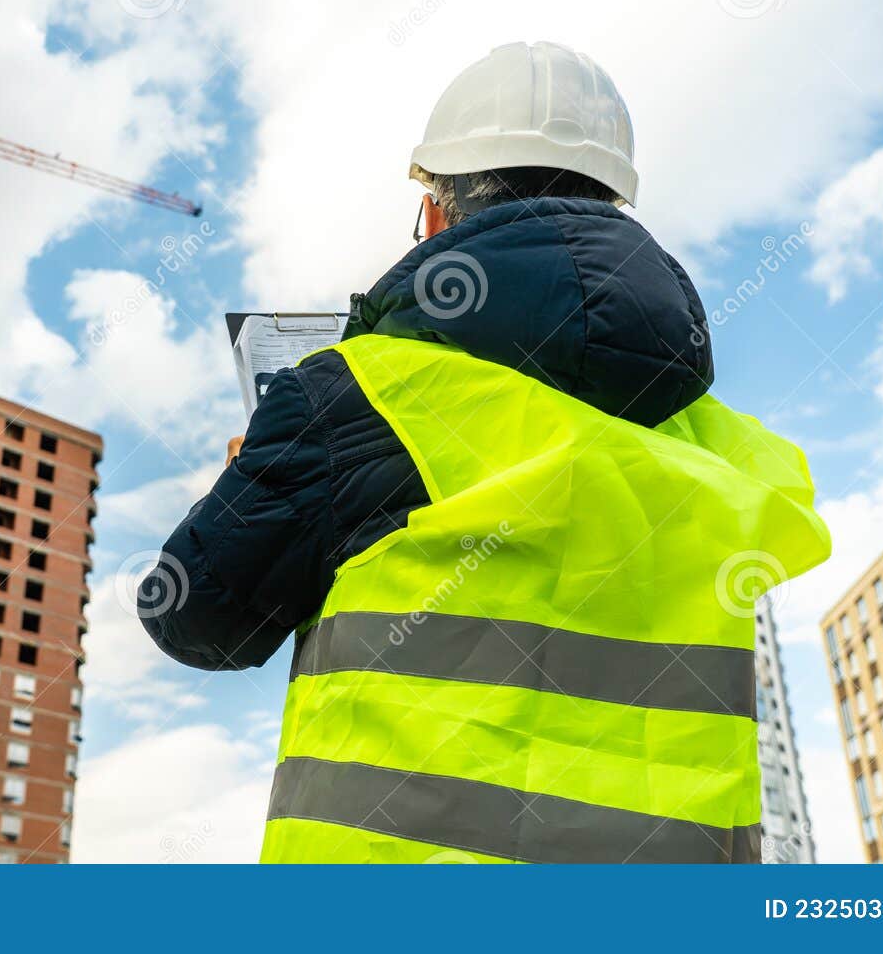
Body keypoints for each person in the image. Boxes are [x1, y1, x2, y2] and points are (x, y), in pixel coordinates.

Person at [137, 42, 830, 863]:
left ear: (435, 215)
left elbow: (194, 621)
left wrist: (263, 469)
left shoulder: (358, 397)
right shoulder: (726, 445)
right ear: (612, 202)